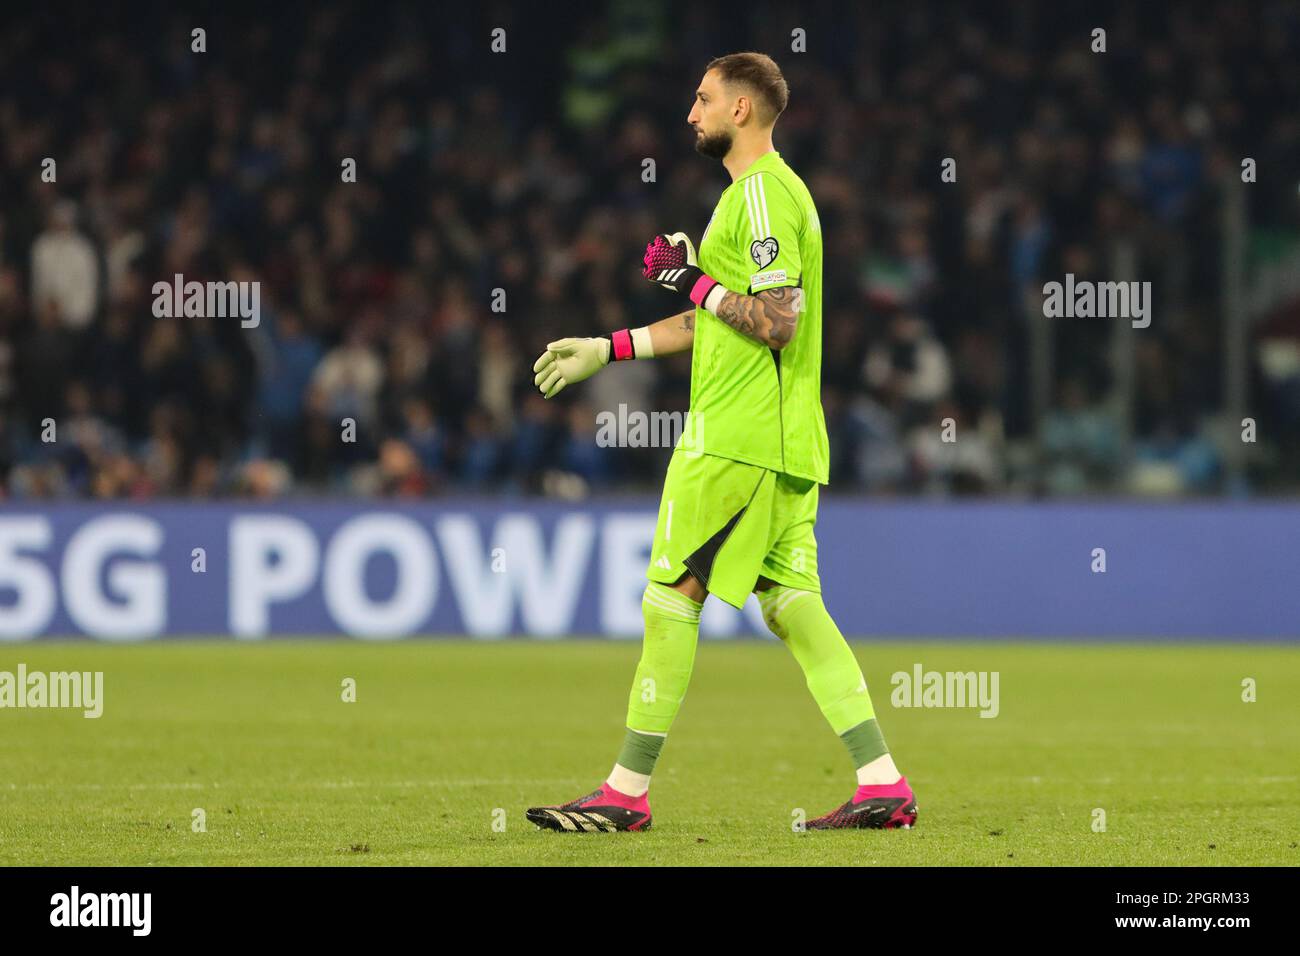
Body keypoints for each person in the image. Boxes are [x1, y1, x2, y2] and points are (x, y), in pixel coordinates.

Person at [527, 52, 916, 832]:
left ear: (742, 109)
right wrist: (608, 347)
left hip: (738, 443)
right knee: (793, 604)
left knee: (670, 596)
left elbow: (776, 323)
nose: (691, 113)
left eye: (703, 99)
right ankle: (883, 782)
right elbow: (712, 318)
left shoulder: (765, 195)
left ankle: (624, 794)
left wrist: (691, 279)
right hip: (787, 442)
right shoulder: (754, 199)